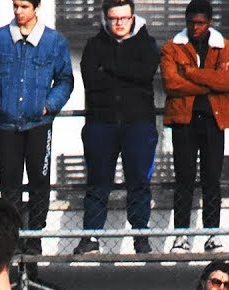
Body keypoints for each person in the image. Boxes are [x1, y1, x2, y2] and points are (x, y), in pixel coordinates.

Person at [0, 0, 74, 254]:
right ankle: (12, 239)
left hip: (39, 125)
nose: (18, 11)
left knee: (38, 183)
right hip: (7, 126)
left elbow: (65, 80)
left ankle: (34, 239)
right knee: (9, 185)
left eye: (24, 6)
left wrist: (49, 105)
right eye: (15, 6)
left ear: (37, 7)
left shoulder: (54, 42)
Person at [73, 0, 160, 256]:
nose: (119, 23)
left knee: (139, 181)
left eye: (124, 18)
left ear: (133, 17)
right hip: (101, 122)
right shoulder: (94, 45)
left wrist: (109, 69)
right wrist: (126, 72)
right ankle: (91, 237)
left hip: (139, 123)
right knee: (98, 182)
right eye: (114, 18)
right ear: (105, 19)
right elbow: (91, 79)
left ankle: (140, 236)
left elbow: (145, 74)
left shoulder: (147, 43)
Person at [162, 1, 229, 254]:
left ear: (209, 23)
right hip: (183, 121)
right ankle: (181, 235)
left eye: (200, 23)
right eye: (191, 23)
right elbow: (171, 84)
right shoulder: (172, 47)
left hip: (213, 120)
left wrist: (192, 74)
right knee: (183, 178)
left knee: (211, 178)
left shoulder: (225, 46)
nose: (195, 28)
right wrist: (210, 82)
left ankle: (211, 234)